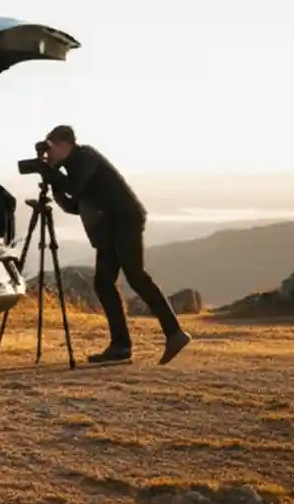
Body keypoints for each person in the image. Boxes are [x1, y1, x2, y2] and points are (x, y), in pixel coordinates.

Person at [37, 125, 192, 365]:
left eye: (51, 147)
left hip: (125, 220)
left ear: (65, 143)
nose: (50, 153)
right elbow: (73, 205)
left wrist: (51, 173)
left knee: (136, 276)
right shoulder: (72, 165)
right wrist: (54, 182)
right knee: (103, 282)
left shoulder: (86, 157)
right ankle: (121, 345)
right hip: (109, 226)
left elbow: (75, 188)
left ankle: (175, 333)